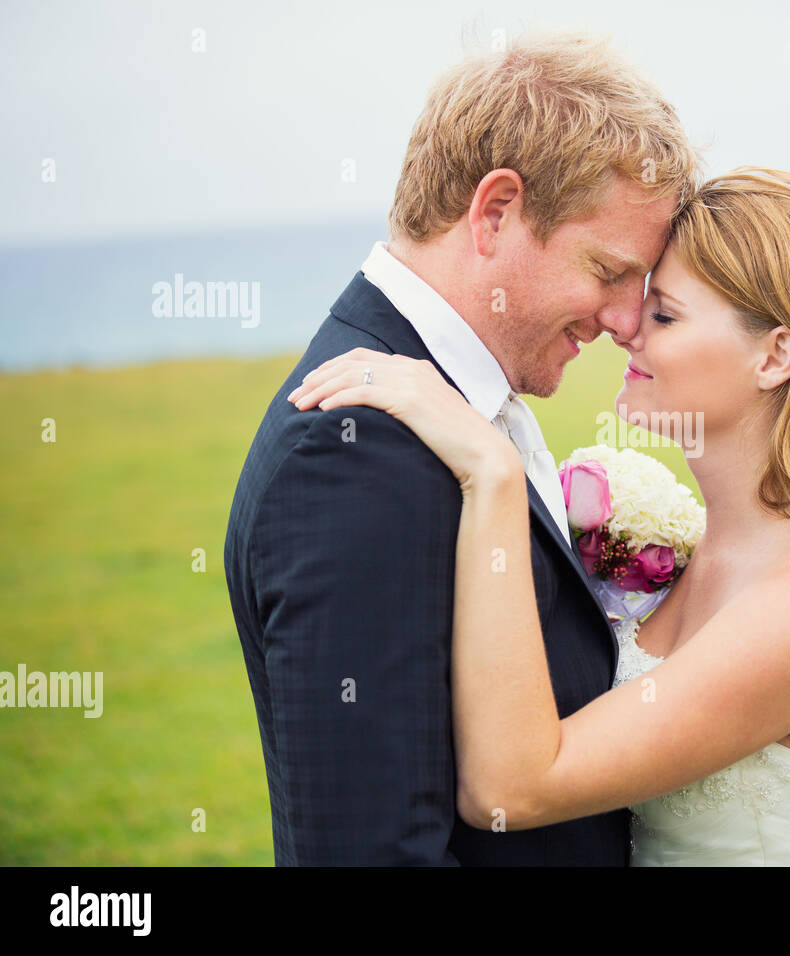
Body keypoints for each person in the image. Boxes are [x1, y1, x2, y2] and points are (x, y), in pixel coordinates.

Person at [288, 167, 790, 866]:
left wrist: (491, 471)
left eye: (664, 314)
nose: (626, 329)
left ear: (776, 356)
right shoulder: (700, 555)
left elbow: (513, 790)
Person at [223, 33, 700, 865]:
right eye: (609, 270)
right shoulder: (354, 455)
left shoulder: (456, 408)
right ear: (497, 212)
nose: (628, 322)